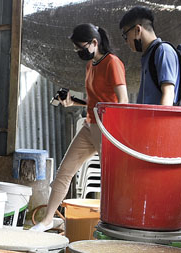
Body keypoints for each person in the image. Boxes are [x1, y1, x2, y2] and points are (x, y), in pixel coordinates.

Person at [30, 24, 127, 232]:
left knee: (111, 179)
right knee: (64, 172)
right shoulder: (91, 65)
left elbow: (123, 101)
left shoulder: (112, 63)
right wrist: (72, 101)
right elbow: (94, 101)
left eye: (80, 47)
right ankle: (47, 220)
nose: (78, 52)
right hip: (89, 126)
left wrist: (112, 130)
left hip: (106, 128)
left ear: (94, 43)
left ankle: (112, 225)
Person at [118, 6, 181, 108]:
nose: (126, 41)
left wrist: (160, 119)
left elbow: (168, 94)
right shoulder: (148, 56)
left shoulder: (163, 51)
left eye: (126, 35)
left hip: (160, 118)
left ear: (137, 30)